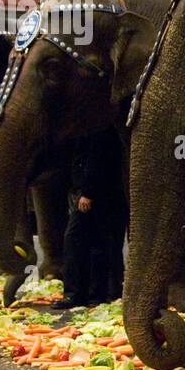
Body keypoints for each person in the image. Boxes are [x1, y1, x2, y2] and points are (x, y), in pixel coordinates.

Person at [53, 130, 126, 308]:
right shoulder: (96, 126)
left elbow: (96, 159)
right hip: (102, 192)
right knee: (98, 243)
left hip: (93, 192)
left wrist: (87, 191)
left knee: (74, 240)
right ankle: (96, 293)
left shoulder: (96, 129)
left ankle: (76, 293)